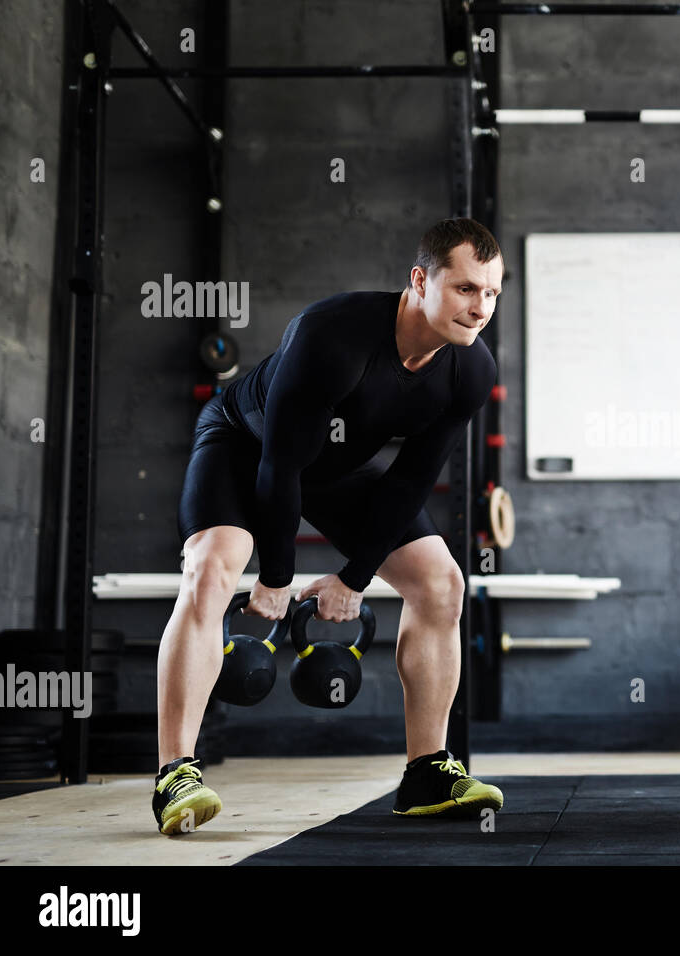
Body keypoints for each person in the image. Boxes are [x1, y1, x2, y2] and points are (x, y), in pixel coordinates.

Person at [153, 218, 504, 835]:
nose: (479, 310)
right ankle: (174, 774)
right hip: (246, 447)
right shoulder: (331, 336)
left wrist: (355, 577)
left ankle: (426, 771)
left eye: (492, 294)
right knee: (213, 566)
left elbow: (409, 480)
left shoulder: (468, 371)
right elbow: (278, 467)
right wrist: (275, 578)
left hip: (333, 468)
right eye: (466, 289)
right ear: (420, 280)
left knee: (442, 584)